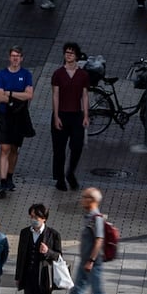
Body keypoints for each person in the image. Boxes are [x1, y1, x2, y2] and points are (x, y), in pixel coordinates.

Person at [61, 187, 127, 294]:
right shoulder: (89, 217)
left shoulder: (96, 218)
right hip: (86, 261)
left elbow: (99, 240)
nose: (81, 199)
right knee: (76, 289)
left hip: (92, 263)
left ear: (92, 200)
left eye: (84, 197)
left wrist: (91, 260)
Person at [0, 45, 36, 197]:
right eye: (13, 56)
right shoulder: (2, 75)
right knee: (4, 148)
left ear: (22, 58)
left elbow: (29, 95)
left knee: (14, 149)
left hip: (20, 116)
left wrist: (10, 93)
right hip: (5, 116)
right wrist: (20, 95)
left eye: (17, 56)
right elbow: (0, 97)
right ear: (9, 57)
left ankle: (10, 176)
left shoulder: (26, 74)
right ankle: (3, 181)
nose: (15, 59)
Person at [49, 43, 91, 193]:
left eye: (71, 53)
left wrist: (86, 115)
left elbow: (85, 95)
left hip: (76, 115)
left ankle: (70, 172)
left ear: (77, 56)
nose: (68, 55)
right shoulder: (58, 74)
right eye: (66, 53)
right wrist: (56, 116)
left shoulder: (83, 75)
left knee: (77, 147)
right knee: (59, 149)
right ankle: (59, 178)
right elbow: (55, 95)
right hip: (61, 114)